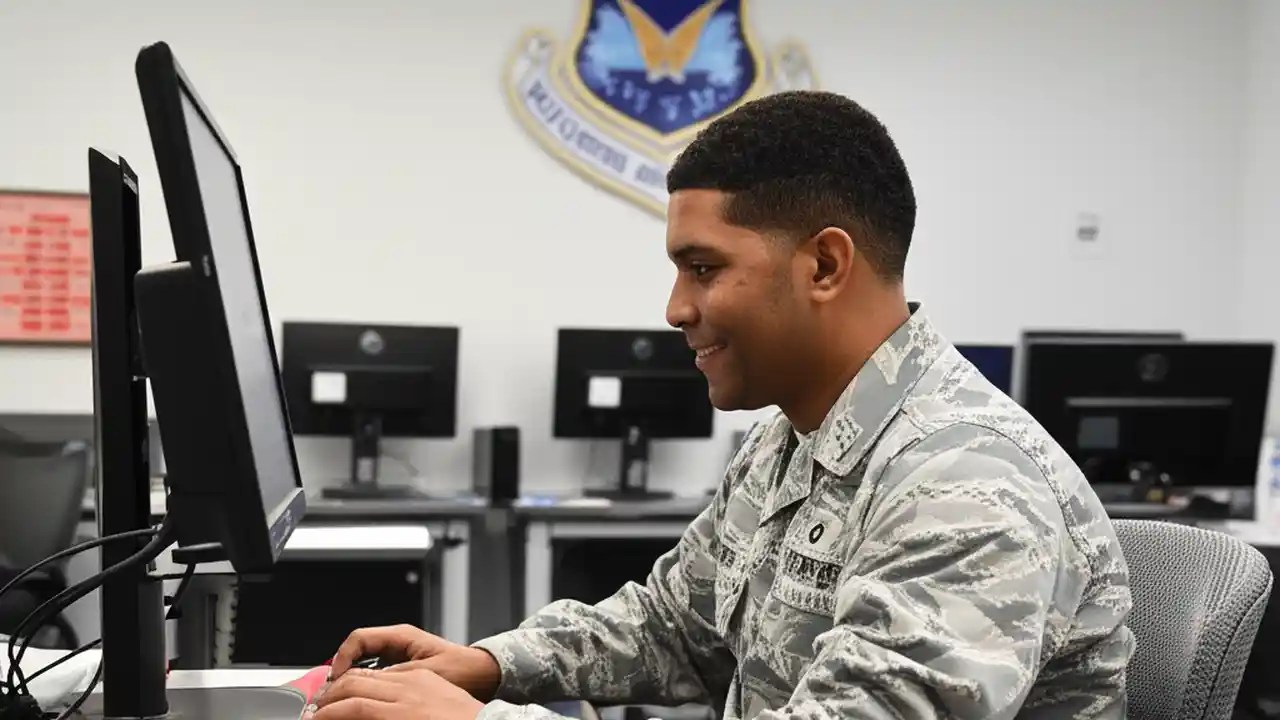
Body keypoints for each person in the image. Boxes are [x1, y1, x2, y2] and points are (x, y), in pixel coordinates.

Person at [308, 90, 1135, 720]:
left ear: (823, 266)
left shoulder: (966, 487)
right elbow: (675, 625)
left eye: (702, 268)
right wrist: (486, 666)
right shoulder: (790, 440)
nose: (674, 307)